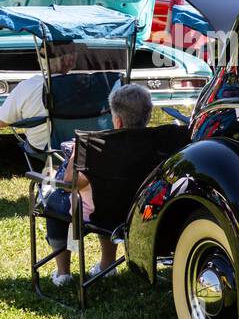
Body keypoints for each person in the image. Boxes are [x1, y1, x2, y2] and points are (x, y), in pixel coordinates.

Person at [43, 83, 153, 286]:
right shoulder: (158, 142)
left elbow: (70, 182)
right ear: (148, 116)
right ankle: (107, 264)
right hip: (140, 212)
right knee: (108, 200)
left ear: (117, 120)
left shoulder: (95, 146)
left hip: (100, 214)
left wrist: (75, 156)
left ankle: (63, 273)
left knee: (54, 202)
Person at [0, 45, 79, 153]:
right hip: (82, 145)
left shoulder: (28, 86)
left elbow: (2, 121)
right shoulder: (86, 84)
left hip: (45, 148)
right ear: (71, 59)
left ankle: (52, 166)